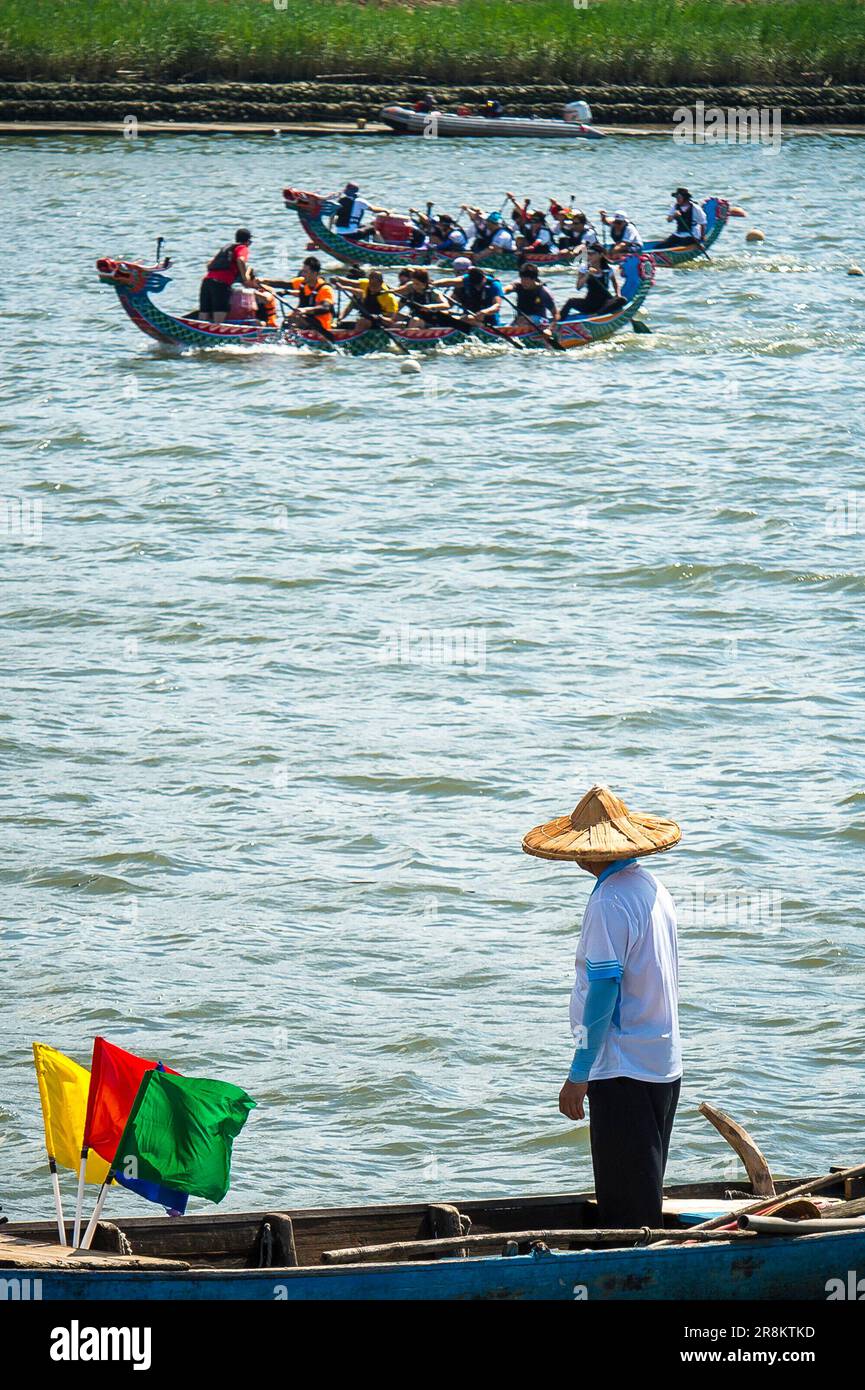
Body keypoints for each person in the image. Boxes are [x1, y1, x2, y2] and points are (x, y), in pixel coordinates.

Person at [522, 783, 683, 1230]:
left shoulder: (609, 901)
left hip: (622, 1068)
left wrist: (579, 1073)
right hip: (661, 1062)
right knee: (642, 1191)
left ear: (587, 853)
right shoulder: (651, 888)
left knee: (627, 1214)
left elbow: (604, 991)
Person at [198, 228, 260, 323]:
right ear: (247, 241)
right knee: (219, 312)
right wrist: (245, 279)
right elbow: (241, 260)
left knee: (204, 312)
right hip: (221, 283)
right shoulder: (242, 247)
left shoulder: (226, 248)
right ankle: (217, 334)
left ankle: (200, 331)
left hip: (207, 281)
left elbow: (209, 264)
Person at [560, 243, 624, 317]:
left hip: (603, 303)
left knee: (622, 300)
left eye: (592, 254)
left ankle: (598, 314)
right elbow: (578, 287)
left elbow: (615, 283)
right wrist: (587, 274)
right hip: (589, 303)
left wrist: (617, 294)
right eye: (588, 254)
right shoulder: (584, 268)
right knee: (571, 301)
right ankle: (558, 321)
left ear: (600, 255)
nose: (589, 256)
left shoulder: (608, 270)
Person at [332, 268, 400, 329]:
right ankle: (338, 320)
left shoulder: (389, 297)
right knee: (355, 299)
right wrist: (337, 279)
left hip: (379, 324)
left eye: (375, 285)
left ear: (381, 283)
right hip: (364, 318)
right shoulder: (366, 283)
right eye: (370, 284)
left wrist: (379, 318)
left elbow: (390, 321)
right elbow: (348, 283)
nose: (372, 287)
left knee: (362, 321)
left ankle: (356, 339)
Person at [283, 255, 335, 335]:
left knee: (295, 318)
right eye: (303, 271)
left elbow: (326, 307)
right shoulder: (303, 283)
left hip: (321, 326)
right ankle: (286, 336)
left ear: (315, 273)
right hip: (306, 321)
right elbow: (283, 284)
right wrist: (264, 281)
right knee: (288, 318)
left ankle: (289, 337)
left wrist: (306, 310)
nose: (303, 274)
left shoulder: (325, 288)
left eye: (305, 272)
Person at [504, 262, 558, 327]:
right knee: (508, 327)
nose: (523, 282)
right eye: (522, 279)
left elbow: (556, 314)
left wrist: (549, 329)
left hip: (541, 322)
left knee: (523, 320)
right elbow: (507, 288)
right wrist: (501, 291)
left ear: (534, 279)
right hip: (521, 320)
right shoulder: (518, 286)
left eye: (526, 280)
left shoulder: (543, 291)